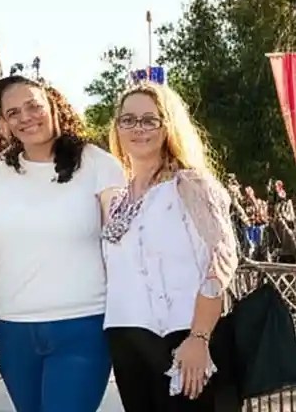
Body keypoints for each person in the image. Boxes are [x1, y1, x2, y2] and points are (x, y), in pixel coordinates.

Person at [0, 75, 124, 412]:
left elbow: (125, 234)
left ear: (53, 105)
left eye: (34, 106)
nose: (26, 117)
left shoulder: (98, 164)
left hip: (82, 325)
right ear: (4, 123)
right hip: (12, 329)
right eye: (14, 112)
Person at [102, 83, 240, 411]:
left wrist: (199, 337)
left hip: (183, 338)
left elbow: (221, 260)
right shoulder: (118, 198)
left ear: (169, 126)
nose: (139, 128)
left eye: (150, 119)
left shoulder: (191, 185)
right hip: (127, 340)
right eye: (128, 120)